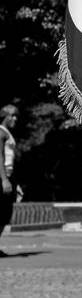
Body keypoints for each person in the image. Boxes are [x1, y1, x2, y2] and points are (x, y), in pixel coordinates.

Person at [0, 105, 19, 256]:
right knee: (2, 212)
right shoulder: (0, 132)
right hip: (2, 175)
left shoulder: (7, 133)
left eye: (16, 116)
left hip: (9, 176)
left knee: (6, 213)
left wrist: (15, 183)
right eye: (12, 116)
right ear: (4, 116)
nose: (15, 119)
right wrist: (4, 180)